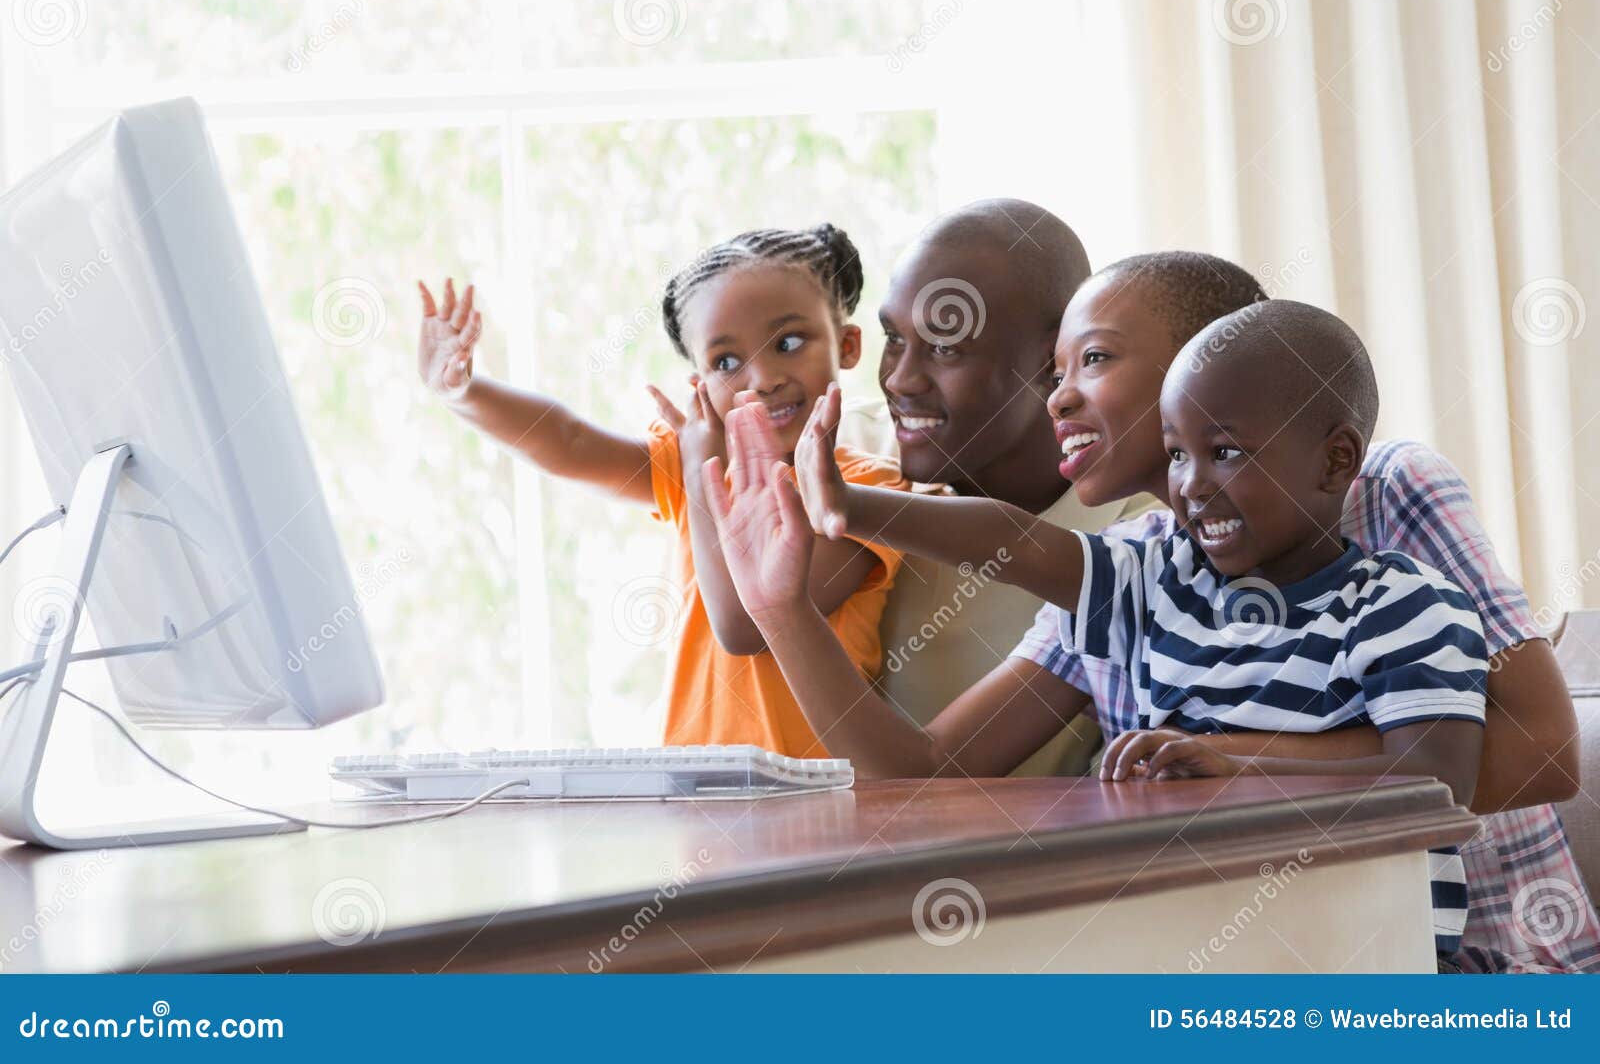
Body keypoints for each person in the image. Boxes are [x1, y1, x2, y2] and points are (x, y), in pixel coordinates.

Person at [714, 249, 1597, 972]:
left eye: (1092, 361)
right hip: (1238, 957)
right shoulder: (1137, 566)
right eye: (1053, 370)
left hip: (1479, 960)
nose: (1055, 396)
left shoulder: (1386, 500)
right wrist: (784, 604)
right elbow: (921, 771)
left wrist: (1225, 762)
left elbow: (1533, 755)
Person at [414, 224, 904, 757]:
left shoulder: (867, 489)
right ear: (699, 382)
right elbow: (569, 442)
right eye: (726, 362)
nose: (761, 378)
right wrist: (462, 392)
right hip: (700, 794)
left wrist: (700, 472)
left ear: (848, 344)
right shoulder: (698, 462)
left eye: (788, 343)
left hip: (816, 797)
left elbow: (744, 627)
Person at [840, 199, 1153, 774]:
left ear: (1050, 361)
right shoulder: (846, 451)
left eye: (944, 348)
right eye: (893, 338)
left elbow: (926, 773)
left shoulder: (1136, 531)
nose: (900, 379)